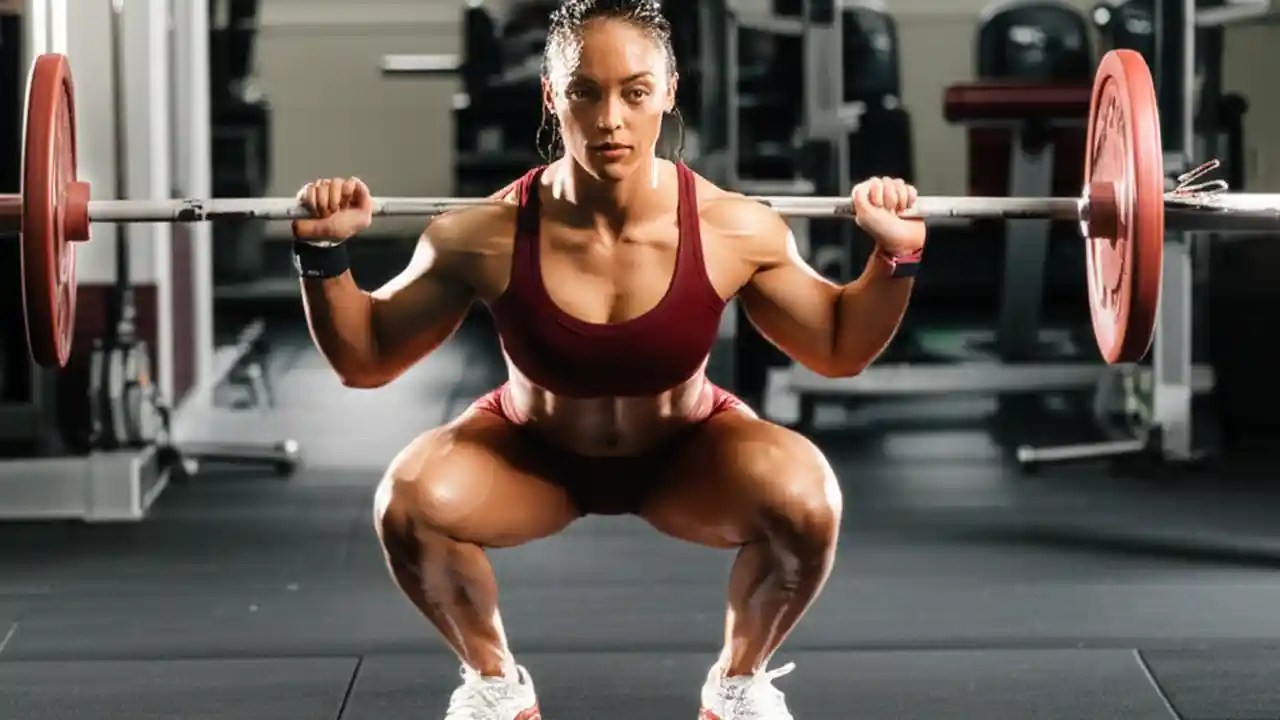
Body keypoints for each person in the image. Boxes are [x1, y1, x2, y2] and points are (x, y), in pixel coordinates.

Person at [291, 1, 925, 717]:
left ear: (669, 92)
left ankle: (738, 685)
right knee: (409, 502)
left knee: (808, 500)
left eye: (635, 92)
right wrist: (324, 252)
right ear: (551, 96)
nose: (610, 119)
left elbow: (839, 348)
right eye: (584, 92)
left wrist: (895, 255)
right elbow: (366, 360)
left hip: (685, 456)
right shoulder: (480, 234)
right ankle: (495, 685)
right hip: (533, 457)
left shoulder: (733, 227)